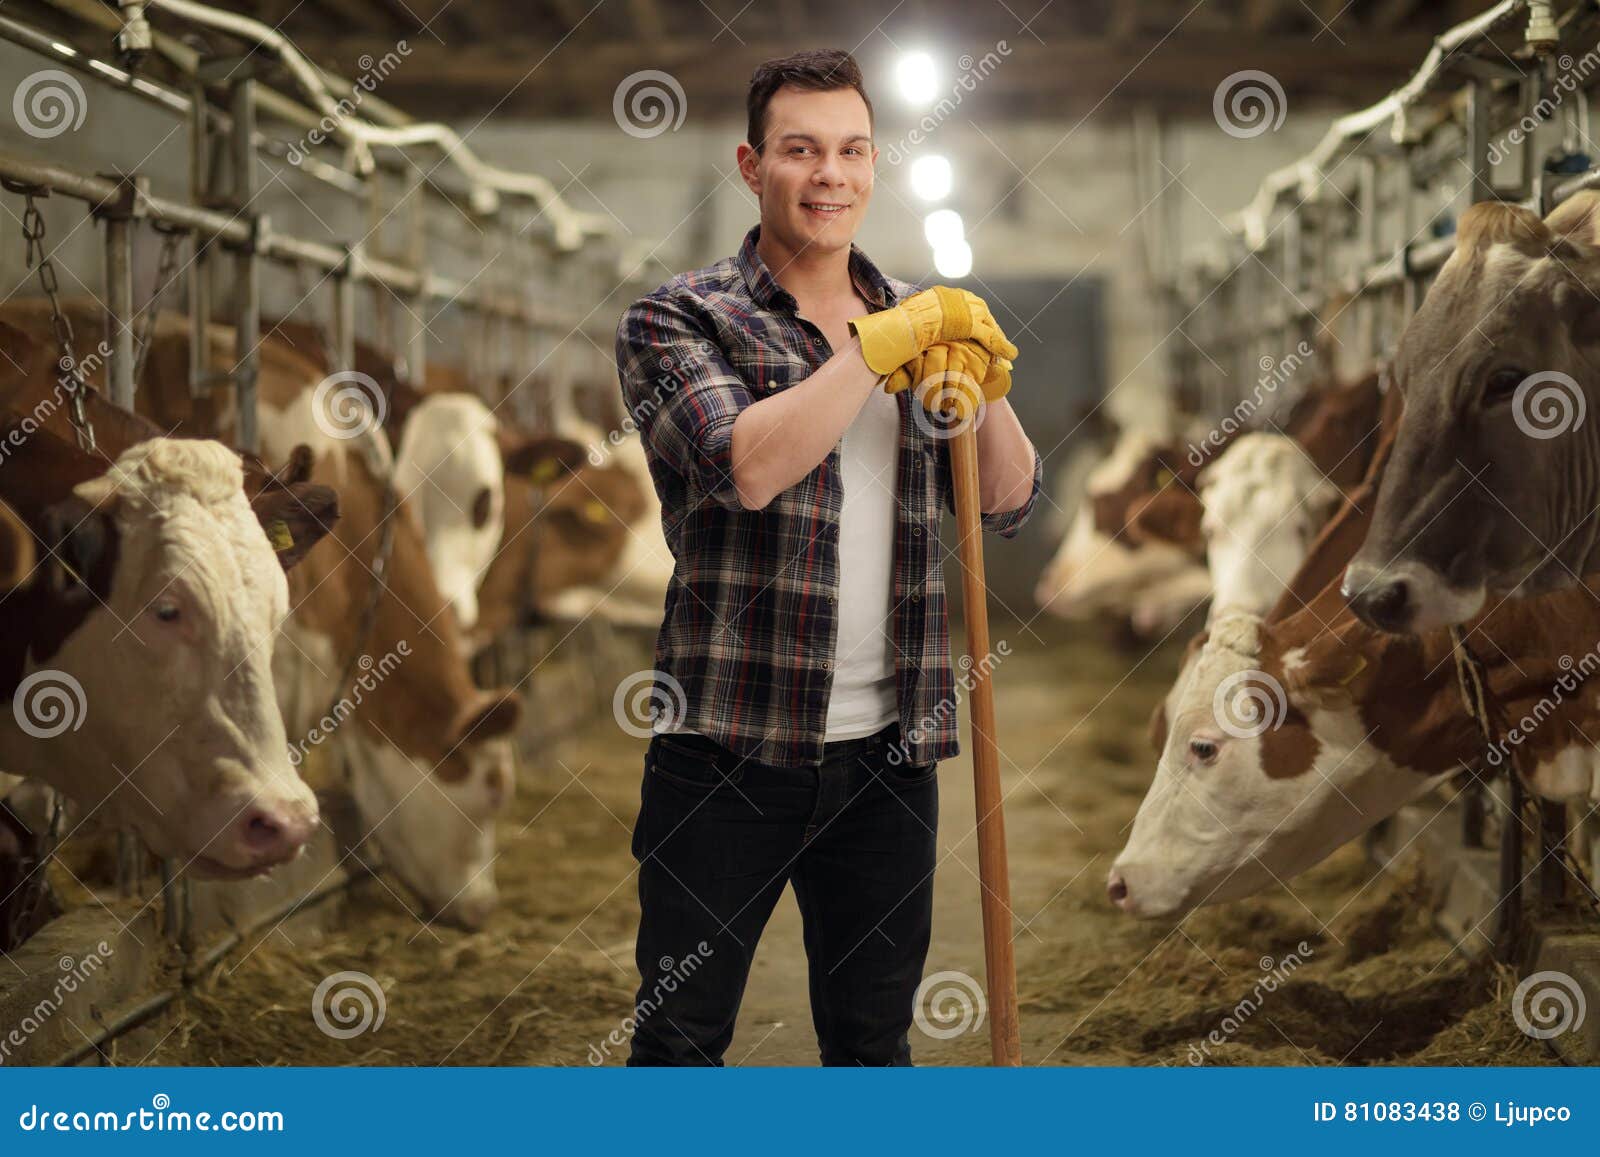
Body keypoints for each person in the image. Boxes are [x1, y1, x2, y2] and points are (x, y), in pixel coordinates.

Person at [614, 47, 1042, 1066]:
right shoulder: (680, 318)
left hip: (892, 753)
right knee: (680, 1038)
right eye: (800, 150)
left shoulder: (918, 318)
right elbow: (748, 467)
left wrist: (987, 383)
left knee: (872, 1042)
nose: (829, 174)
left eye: (852, 150)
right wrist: (874, 347)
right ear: (751, 164)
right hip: (727, 746)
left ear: (874, 164)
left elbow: (1007, 500)